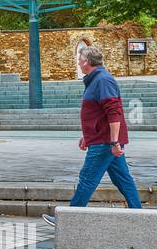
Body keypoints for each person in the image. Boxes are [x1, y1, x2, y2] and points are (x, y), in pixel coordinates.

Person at [43, 45, 142, 227]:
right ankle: (139, 215)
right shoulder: (96, 80)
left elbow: (114, 113)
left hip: (105, 142)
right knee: (122, 179)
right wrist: (87, 136)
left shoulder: (103, 80)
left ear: (87, 62)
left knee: (87, 178)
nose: (78, 63)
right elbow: (97, 114)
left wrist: (114, 141)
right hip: (102, 139)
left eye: (80, 59)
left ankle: (68, 220)